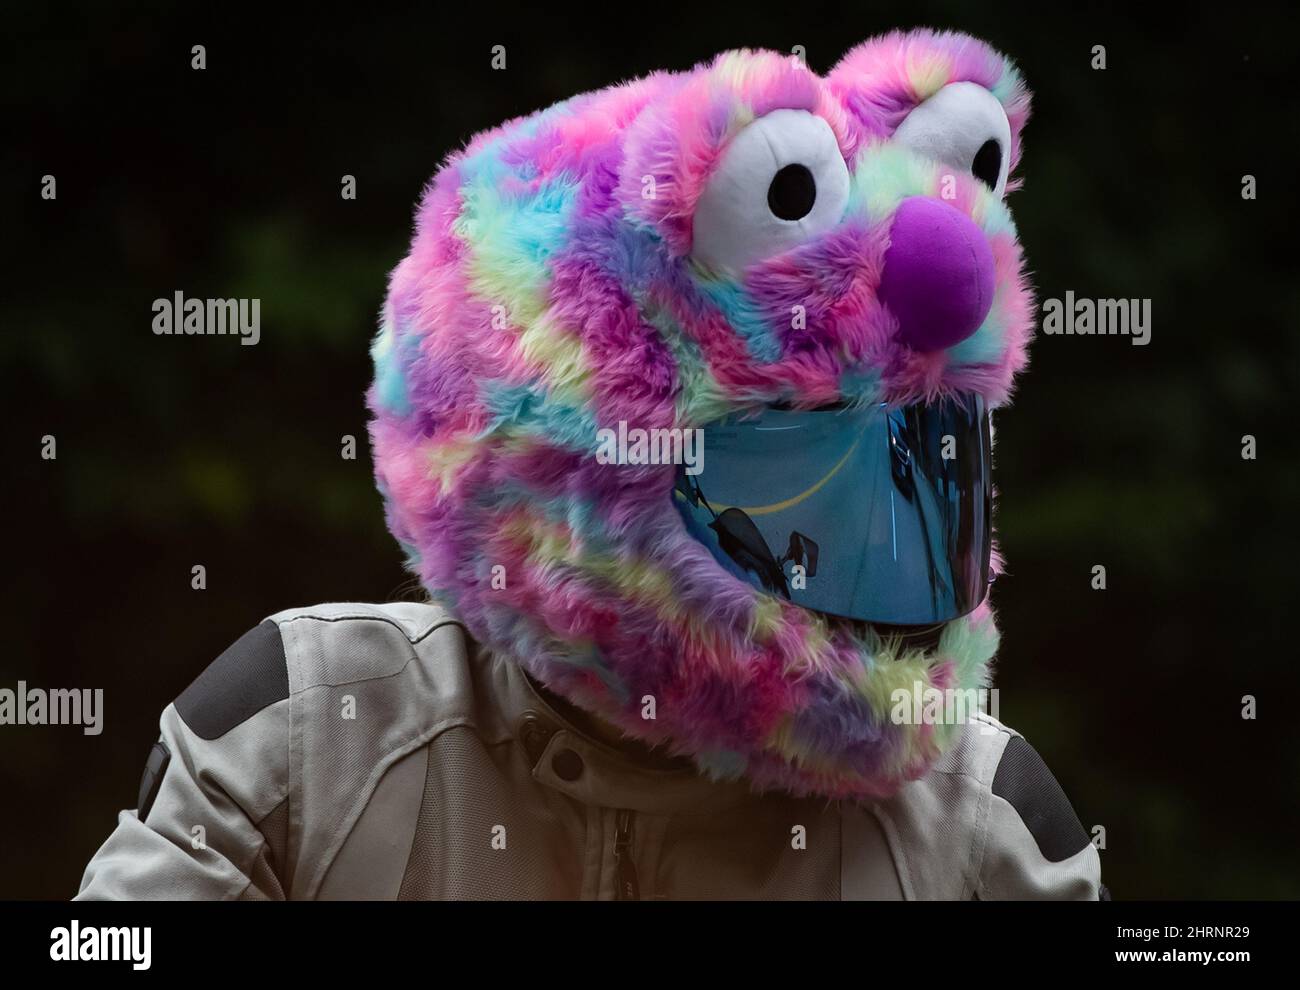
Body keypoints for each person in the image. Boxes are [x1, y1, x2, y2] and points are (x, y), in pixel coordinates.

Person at [77, 28, 1105, 901]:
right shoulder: (314, 735)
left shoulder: (981, 831)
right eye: (791, 478)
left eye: (916, 476)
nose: (864, 545)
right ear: (555, 473)